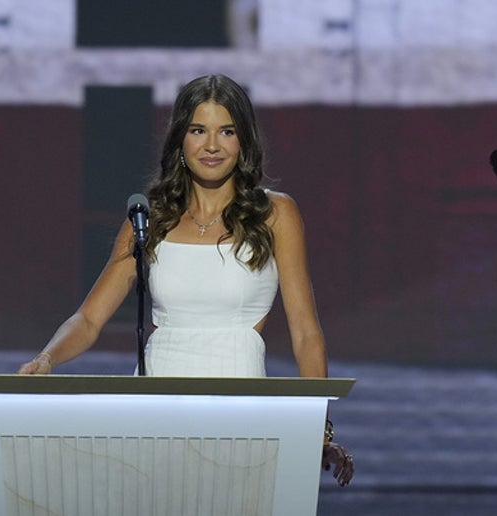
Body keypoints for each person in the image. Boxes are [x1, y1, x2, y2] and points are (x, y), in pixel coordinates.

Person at [18, 74, 354, 486]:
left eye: (226, 131)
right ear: (181, 140)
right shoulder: (150, 218)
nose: (212, 145)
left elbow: (305, 333)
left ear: (243, 141)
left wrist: (318, 429)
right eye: (198, 130)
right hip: (152, 410)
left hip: (240, 407)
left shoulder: (275, 214)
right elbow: (88, 319)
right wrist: (47, 358)